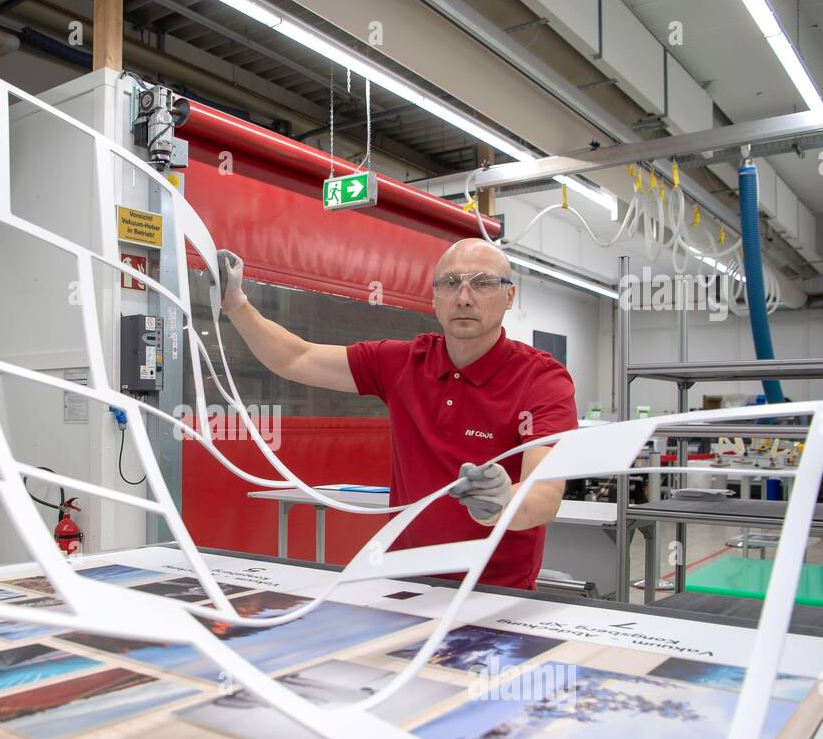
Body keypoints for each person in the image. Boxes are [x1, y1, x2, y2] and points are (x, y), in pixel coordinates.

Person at [216, 237, 578, 589]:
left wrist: (501, 503)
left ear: (509, 296)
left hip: (494, 593)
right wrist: (236, 304)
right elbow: (296, 357)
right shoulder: (404, 363)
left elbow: (544, 496)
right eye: (451, 283)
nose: (465, 297)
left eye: (482, 283)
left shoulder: (542, 379)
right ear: (434, 297)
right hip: (403, 584)